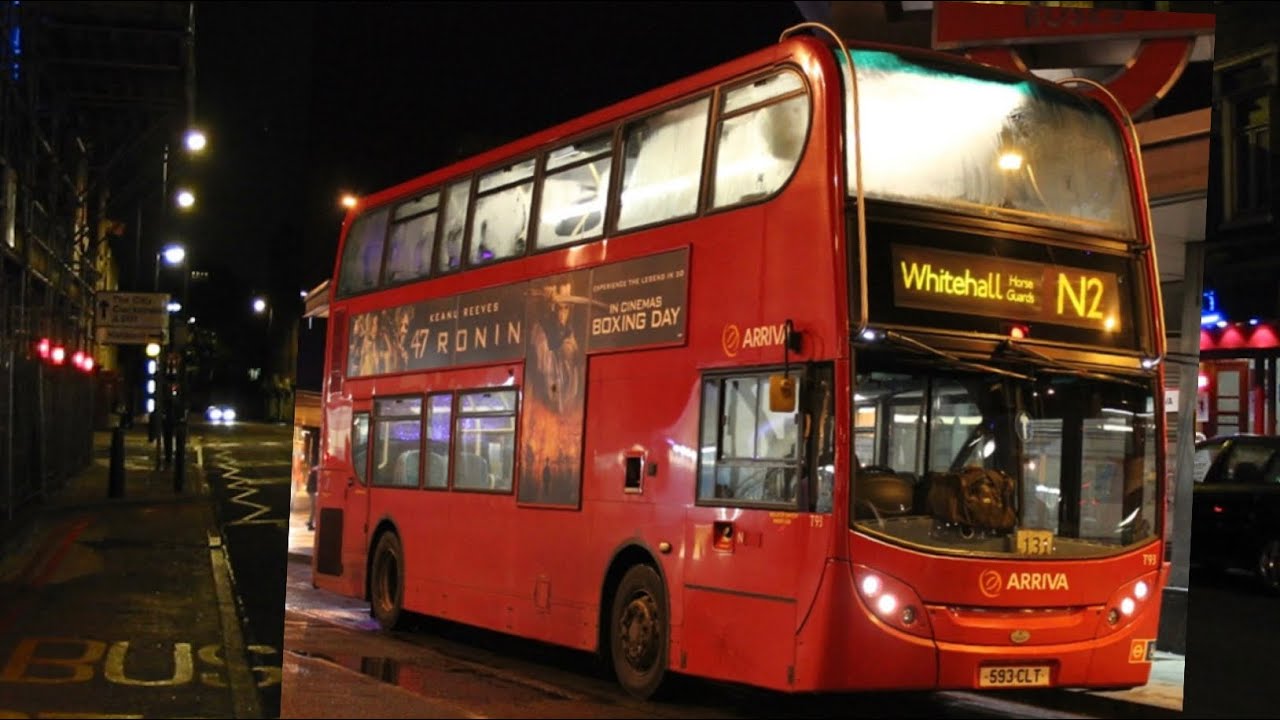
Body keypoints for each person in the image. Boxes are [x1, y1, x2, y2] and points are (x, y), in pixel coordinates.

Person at [306, 463, 319, 531]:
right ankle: (310, 524)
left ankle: (310, 522)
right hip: (312, 491)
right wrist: (316, 491)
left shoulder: (313, 470)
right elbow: (315, 482)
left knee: (313, 507)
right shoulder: (315, 471)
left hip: (311, 490)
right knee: (314, 507)